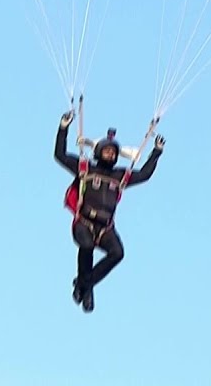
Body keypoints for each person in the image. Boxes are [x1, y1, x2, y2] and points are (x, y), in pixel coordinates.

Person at [53, 111, 164, 313]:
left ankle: (84, 285)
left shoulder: (120, 176)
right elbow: (59, 155)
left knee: (118, 253)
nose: (111, 154)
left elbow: (145, 174)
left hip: (106, 227)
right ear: (98, 152)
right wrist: (63, 128)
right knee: (85, 244)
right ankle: (86, 289)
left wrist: (156, 152)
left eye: (114, 152)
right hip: (84, 222)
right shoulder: (85, 169)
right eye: (107, 151)